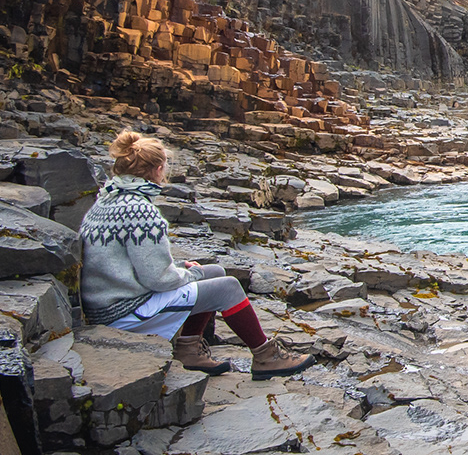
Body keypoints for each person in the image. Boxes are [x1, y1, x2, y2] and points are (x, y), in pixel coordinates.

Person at [79, 130, 314, 379]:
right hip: (124, 312)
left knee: (213, 272)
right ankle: (266, 357)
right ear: (158, 169)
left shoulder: (107, 200)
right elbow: (158, 279)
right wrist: (189, 274)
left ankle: (189, 350)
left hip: (107, 303)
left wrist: (184, 268)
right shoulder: (141, 211)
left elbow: (128, 261)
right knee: (228, 287)